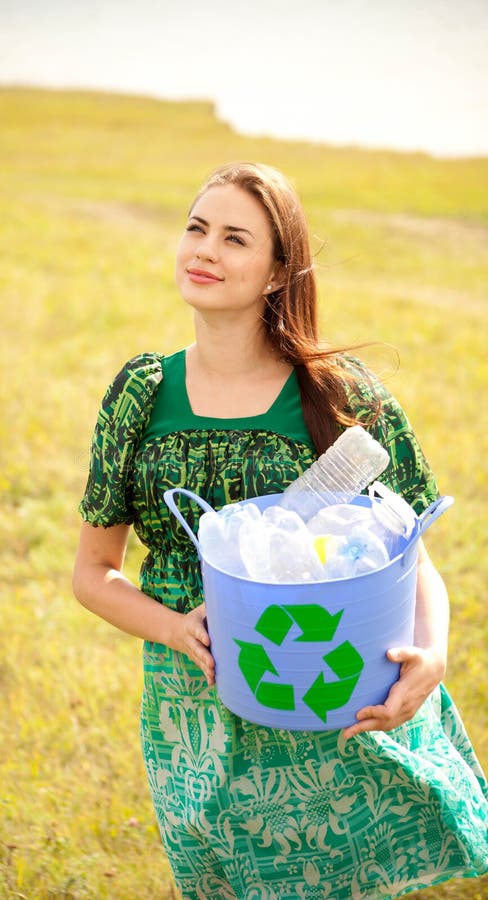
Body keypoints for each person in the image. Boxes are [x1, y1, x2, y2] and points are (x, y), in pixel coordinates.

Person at [73, 162, 488, 899]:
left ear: (275, 274)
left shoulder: (339, 394)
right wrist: (175, 630)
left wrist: (433, 654)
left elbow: (411, 554)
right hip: (198, 701)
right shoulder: (143, 393)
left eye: (235, 239)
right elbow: (93, 573)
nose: (204, 251)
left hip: (330, 685)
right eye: (197, 228)